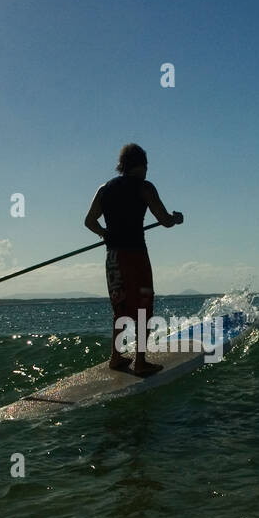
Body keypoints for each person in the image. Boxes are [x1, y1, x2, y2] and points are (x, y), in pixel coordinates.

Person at [84, 144, 182, 375]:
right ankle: (140, 362)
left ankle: (116, 358)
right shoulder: (145, 187)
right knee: (142, 307)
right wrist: (176, 218)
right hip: (136, 255)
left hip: (114, 257)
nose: (147, 170)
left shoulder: (104, 189)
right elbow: (165, 220)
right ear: (139, 165)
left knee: (120, 307)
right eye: (145, 165)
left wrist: (106, 233)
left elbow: (89, 221)